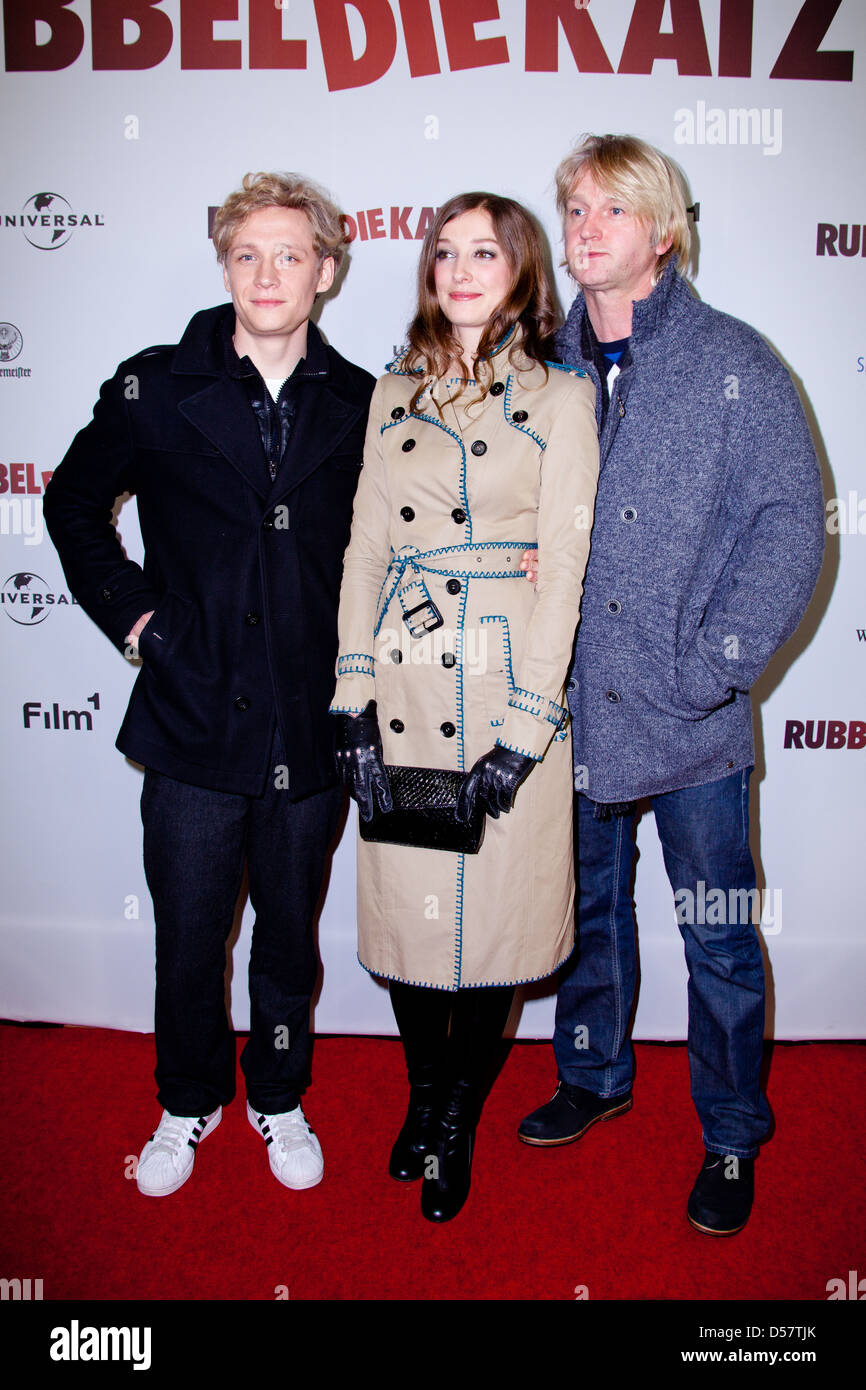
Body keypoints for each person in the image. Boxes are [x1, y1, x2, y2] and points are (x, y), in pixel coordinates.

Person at [44, 172, 375, 1197]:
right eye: (246, 254)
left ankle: (277, 1094)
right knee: (189, 934)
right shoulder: (157, 384)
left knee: (287, 934)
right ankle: (187, 1099)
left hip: (308, 726)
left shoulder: (364, 401)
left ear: (325, 271)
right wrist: (139, 620)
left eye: (289, 254)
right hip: (191, 718)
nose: (266, 273)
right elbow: (69, 502)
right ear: (224, 264)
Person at [517, 135, 825, 1235]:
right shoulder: (539, 368)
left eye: (609, 207)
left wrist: (717, 667)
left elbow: (790, 523)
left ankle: (733, 1131)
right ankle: (593, 1076)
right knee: (588, 913)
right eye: (572, 209)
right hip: (573, 713)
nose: (584, 227)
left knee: (718, 933)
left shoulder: (732, 359)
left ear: (661, 228)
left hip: (691, 722)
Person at [330, 193, 599, 1222]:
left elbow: (565, 565)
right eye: (444, 250)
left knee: (488, 931)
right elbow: (363, 549)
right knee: (408, 925)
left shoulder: (563, 396)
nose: (459, 267)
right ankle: (423, 1091)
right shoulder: (390, 390)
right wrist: (350, 695)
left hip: (500, 688)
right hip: (400, 682)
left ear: (521, 268)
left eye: (483, 250)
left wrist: (527, 725)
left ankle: (456, 1119)